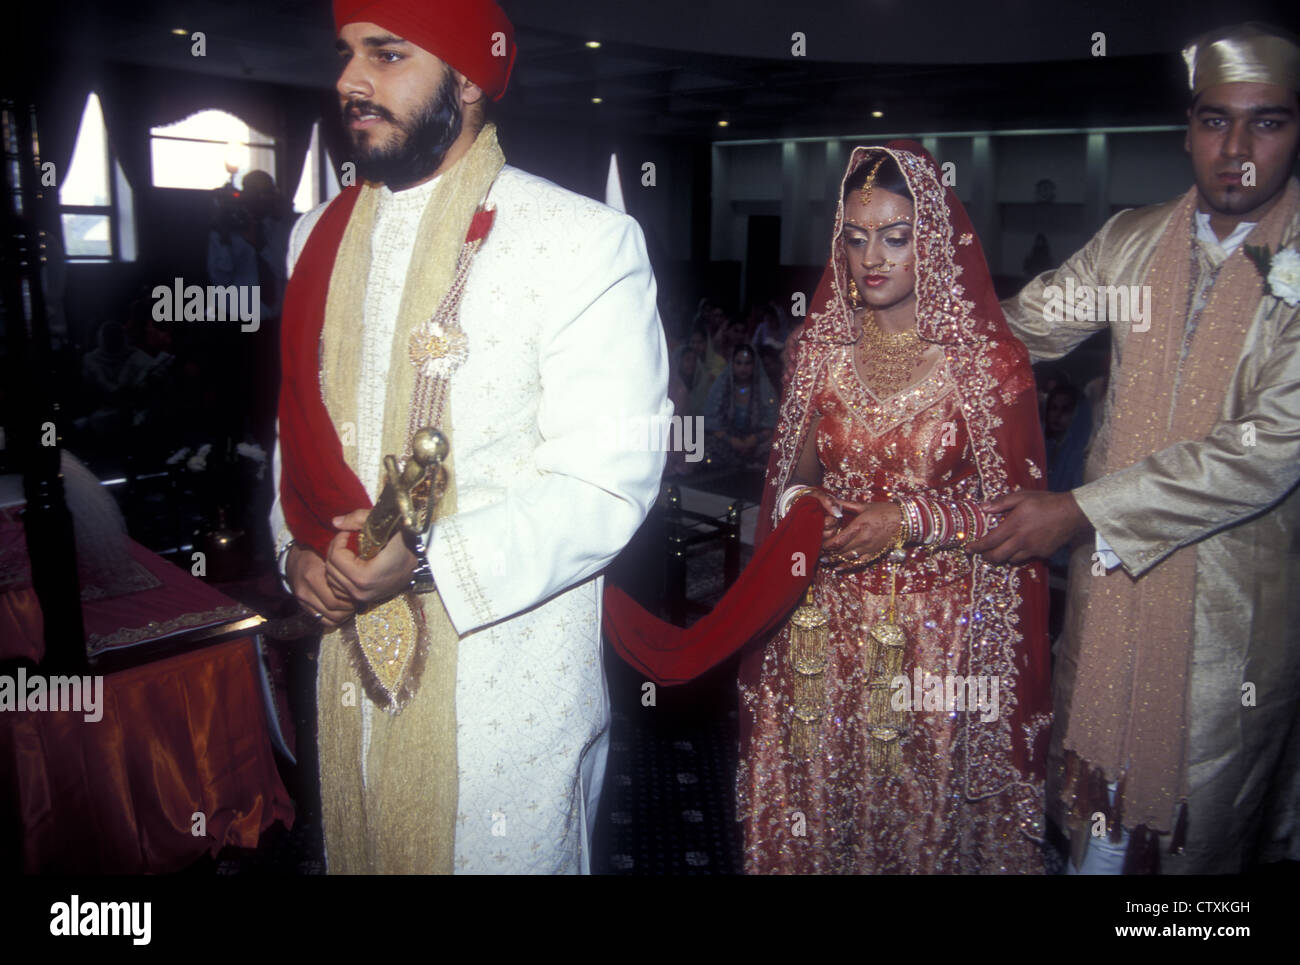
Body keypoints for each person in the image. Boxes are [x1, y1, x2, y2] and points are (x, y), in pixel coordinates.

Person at [270, 0, 669, 874]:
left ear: (469, 80)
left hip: (504, 689)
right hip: (349, 668)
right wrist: (295, 553)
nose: (349, 80)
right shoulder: (316, 238)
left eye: (386, 54)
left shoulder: (580, 242)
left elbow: (608, 483)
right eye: (345, 54)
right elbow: (296, 440)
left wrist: (426, 560)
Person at [975, 22, 1300, 874]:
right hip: (1112, 596)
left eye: (1266, 122)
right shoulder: (1136, 238)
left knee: (1200, 849)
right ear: (1187, 130)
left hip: (1228, 626)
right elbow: (1022, 328)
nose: (1234, 149)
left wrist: (1080, 511)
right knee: (1096, 825)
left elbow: (1264, 451)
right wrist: (904, 328)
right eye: (1212, 121)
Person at [739, 143, 1051, 874]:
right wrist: (810, 500)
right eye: (854, 236)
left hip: (937, 637)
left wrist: (907, 520)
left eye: (895, 236)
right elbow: (790, 478)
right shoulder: (819, 349)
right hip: (822, 626)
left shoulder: (986, 361)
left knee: (913, 825)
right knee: (817, 808)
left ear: (932, 241)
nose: (870, 256)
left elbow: (1019, 516)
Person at [703, 343, 778, 470]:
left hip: (755, 442)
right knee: (707, 446)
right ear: (732, 364)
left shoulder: (764, 389)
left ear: (754, 365)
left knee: (775, 447)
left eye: (748, 363)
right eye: (738, 363)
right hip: (727, 441)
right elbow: (712, 423)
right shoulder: (722, 386)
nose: (743, 368)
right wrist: (732, 441)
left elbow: (771, 423)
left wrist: (753, 440)